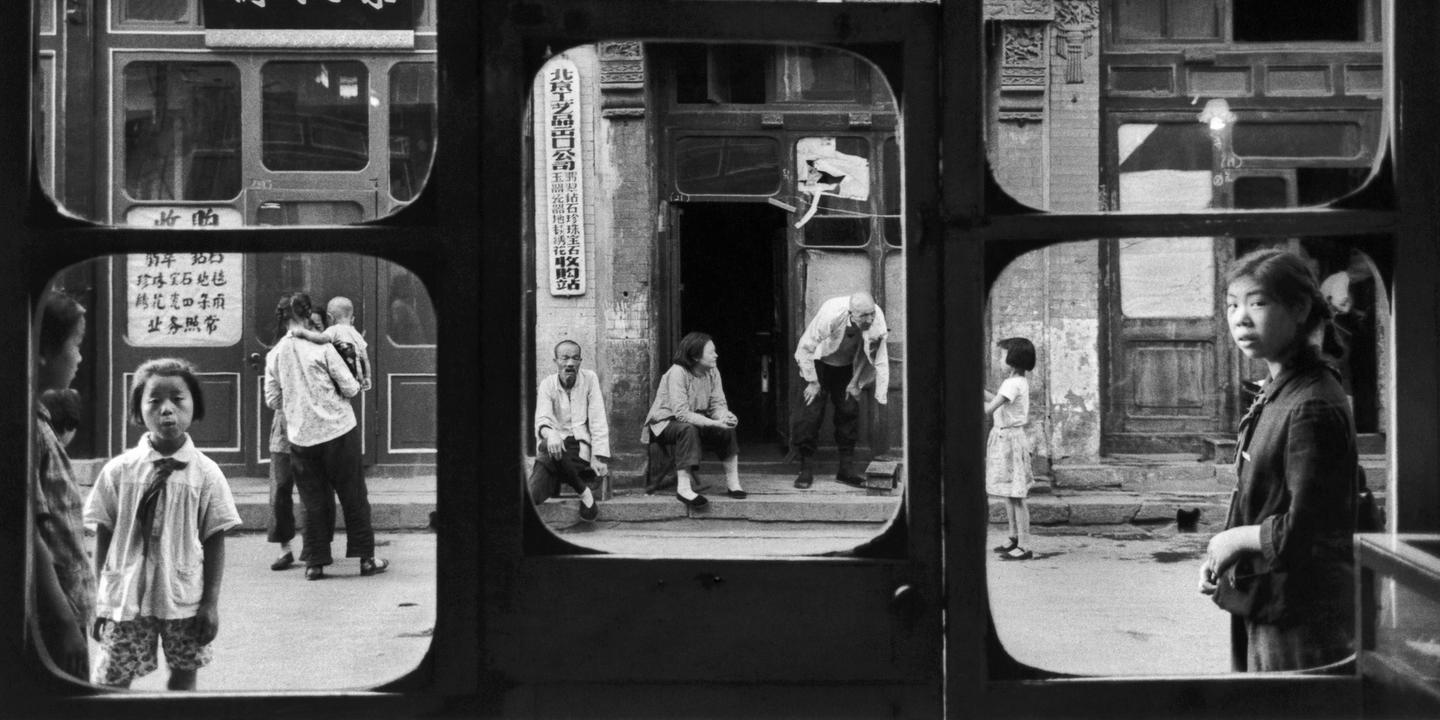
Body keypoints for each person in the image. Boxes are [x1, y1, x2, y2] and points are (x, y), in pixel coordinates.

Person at [1199, 248, 1359, 672]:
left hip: (1299, 613)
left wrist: (1234, 541)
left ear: (1299, 308)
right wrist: (1224, 557)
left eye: (1258, 303)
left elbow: (1309, 527)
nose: (1240, 319)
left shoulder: (1310, 404)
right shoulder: (1280, 390)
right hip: (1268, 596)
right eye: (1232, 305)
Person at [84, 358, 242, 689]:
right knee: (112, 678)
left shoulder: (207, 474)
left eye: (177, 399)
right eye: (154, 401)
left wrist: (210, 603)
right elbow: (105, 534)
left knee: (184, 676)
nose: (166, 410)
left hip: (183, 596)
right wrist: (102, 599)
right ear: (138, 409)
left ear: (194, 405)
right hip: (126, 595)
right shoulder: (119, 471)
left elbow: (214, 539)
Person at [265, 292, 388, 581]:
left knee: (313, 500)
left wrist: (298, 403)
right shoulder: (322, 347)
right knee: (353, 494)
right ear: (309, 316)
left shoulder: (275, 354)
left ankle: (315, 563)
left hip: (302, 438)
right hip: (339, 431)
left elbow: (272, 399)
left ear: (282, 318)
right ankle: (366, 559)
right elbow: (350, 388)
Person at [31, 293, 94, 680]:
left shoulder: (39, 419)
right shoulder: (31, 431)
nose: (80, 358)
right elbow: (31, 531)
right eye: (76, 345)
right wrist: (65, 620)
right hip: (53, 613)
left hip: (65, 603)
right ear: (44, 352)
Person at [791, 291, 889, 489]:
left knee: (849, 412)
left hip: (846, 368)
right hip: (820, 364)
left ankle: (845, 470)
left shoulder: (875, 317)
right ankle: (805, 469)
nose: (869, 319)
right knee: (810, 415)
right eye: (863, 316)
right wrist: (812, 381)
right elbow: (805, 347)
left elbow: (868, 352)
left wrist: (855, 382)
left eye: (871, 314)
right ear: (851, 313)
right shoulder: (832, 313)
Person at [641, 331, 746, 508]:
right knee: (687, 428)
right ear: (696, 356)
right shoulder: (677, 372)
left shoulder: (713, 371)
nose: (716, 355)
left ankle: (733, 484)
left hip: (696, 420)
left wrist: (724, 416)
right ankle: (684, 489)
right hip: (664, 423)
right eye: (711, 352)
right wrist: (713, 422)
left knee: (726, 429)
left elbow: (717, 404)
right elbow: (681, 413)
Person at [529, 340, 608, 520]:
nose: (570, 363)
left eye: (575, 358)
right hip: (554, 445)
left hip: (578, 448)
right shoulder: (547, 384)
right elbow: (542, 419)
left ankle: (582, 493)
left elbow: (598, 419)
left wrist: (598, 456)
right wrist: (552, 435)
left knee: (545, 451)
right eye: (564, 358)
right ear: (555, 361)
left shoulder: (590, 379)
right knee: (547, 448)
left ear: (580, 361)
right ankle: (583, 490)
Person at [985, 337, 1037, 561]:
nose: (999, 358)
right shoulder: (1017, 381)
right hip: (1009, 438)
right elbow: (996, 400)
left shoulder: (1011, 384)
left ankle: (1024, 545)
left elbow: (989, 409)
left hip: (1009, 440)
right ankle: (1013, 537)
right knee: (1010, 492)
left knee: (1016, 496)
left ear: (1012, 359)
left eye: (1002, 354)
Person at [320, 296, 373, 391]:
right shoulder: (357, 334)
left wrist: (305, 334)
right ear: (352, 319)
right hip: (355, 380)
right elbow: (365, 358)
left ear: (330, 317)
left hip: (340, 377)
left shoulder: (334, 329)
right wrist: (367, 377)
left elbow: (322, 339)